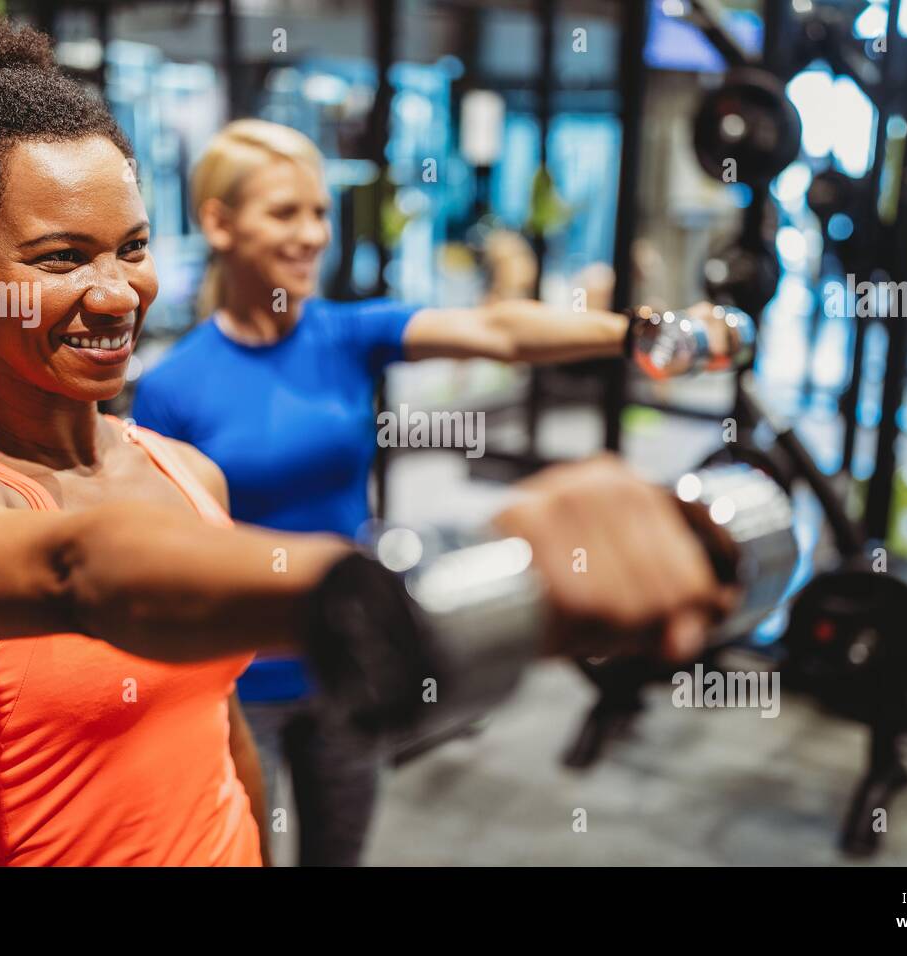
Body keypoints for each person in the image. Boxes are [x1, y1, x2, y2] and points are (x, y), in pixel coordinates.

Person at [0, 11, 725, 867]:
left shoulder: (187, 475)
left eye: (134, 246)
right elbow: (82, 570)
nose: (116, 294)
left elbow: (220, 738)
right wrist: (436, 586)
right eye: (60, 258)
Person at [132, 118, 721, 865]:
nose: (313, 234)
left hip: (354, 657)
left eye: (320, 212)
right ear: (219, 222)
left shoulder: (345, 335)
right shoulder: (173, 388)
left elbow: (500, 329)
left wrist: (640, 333)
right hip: (242, 685)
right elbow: (167, 556)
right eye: (286, 213)